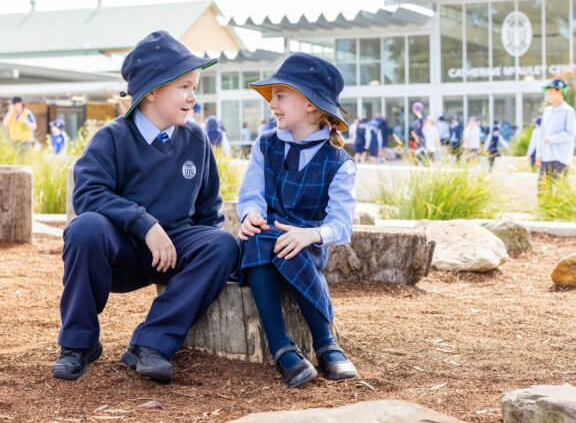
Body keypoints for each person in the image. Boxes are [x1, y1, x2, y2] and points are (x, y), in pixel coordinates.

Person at [52, 31, 239, 383]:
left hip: (174, 250)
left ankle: (150, 343)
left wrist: (207, 258)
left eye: (194, 88)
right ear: (152, 92)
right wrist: (145, 224)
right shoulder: (112, 138)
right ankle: (79, 344)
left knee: (223, 244)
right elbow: (89, 193)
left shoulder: (197, 139)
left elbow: (207, 210)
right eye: (184, 87)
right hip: (119, 253)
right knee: (85, 228)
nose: (192, 98)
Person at [236, 52, 357, 388]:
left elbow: (341, 224)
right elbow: (251, 194)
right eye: (272, 97)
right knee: (259, 236)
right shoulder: (265, 144)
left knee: (287, 245)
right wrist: (250, 215)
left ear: (310, 106)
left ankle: (325, 342)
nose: (272, 104)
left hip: (308, 244)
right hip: (266, 236)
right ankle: (281, 347)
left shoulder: (339, 163)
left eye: (280, 95)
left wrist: (310, 235)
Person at [536, 78, 576, 184]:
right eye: (548, 93)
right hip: (546, 157)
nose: (548, 95)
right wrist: (539, 154)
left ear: (560, 92)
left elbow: (571, 133)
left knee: (560, 192)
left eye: (551, 92)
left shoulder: (568, 111)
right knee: (543, 190)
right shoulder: (547, 111)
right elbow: (541, 134)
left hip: (561, 158)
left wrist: (551, 139)